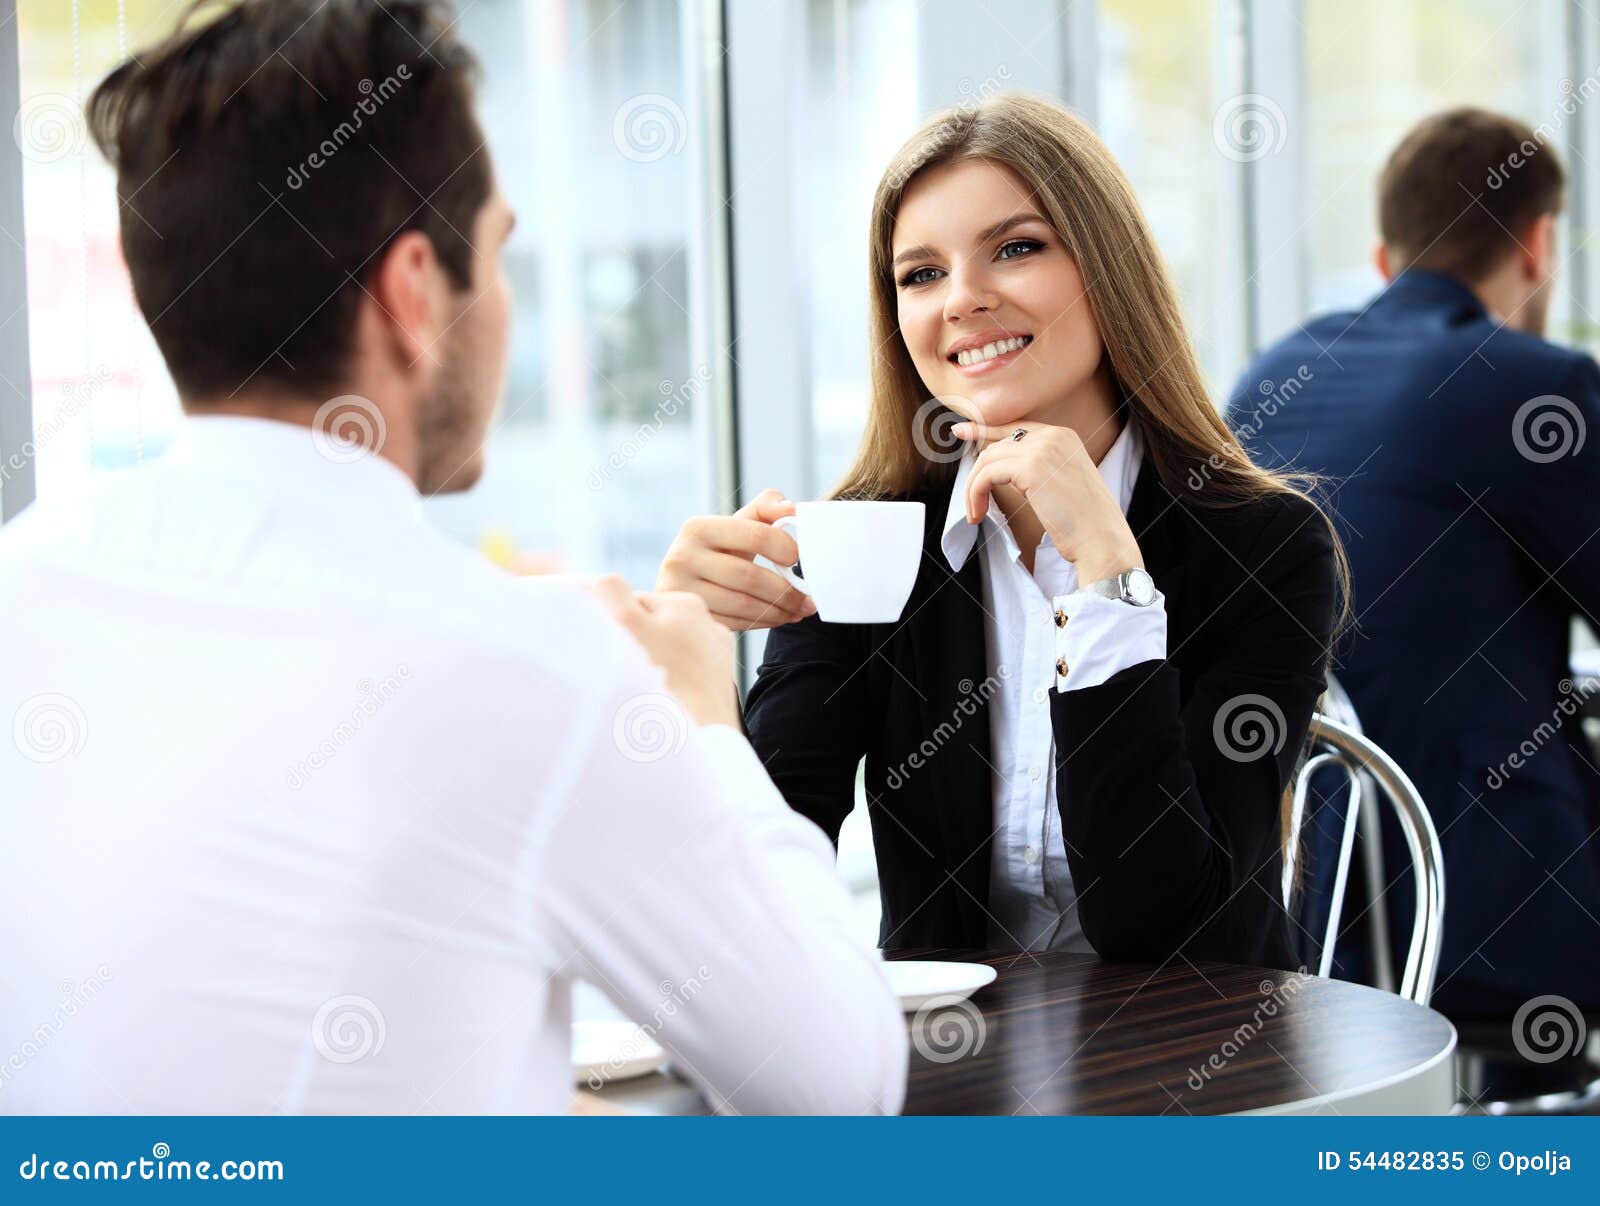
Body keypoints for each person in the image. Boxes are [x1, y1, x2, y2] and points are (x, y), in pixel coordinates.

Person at [0, 0, 905, 1115]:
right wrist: (692, 710)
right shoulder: (538, 668)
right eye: (500, 261)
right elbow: (837, 1082)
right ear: (415, 294)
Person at [659, 93, 1343, 968]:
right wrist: (684, 667)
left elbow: (1172, 930)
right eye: (921, 274)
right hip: (953, 1076)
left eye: (1015, 249)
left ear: (1108, 270)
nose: (963, 301)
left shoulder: (1264, 544)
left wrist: (1108, 578)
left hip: (1198, 1073)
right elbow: (747, 897)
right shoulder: (872, 541)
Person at [1230, 107, 1600, 1018]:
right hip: (1492, 913)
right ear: (1539, 243)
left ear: (1385, 260)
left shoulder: (1274, 374)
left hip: (1302, 900)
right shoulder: (1534, 384)